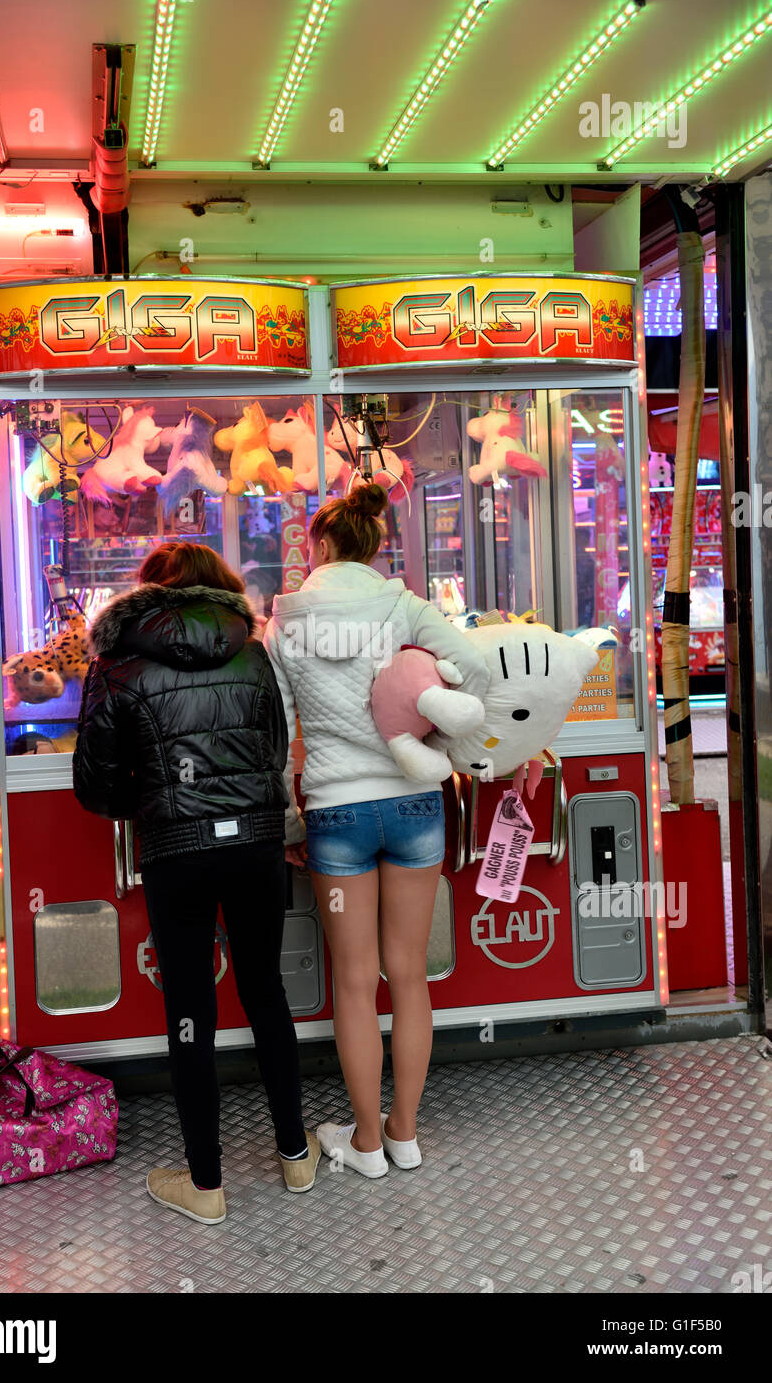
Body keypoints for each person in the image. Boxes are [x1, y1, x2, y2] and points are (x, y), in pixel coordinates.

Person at [72, 540, 320, 1226]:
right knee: (265, 990)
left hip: (176, 852)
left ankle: (205, 1185)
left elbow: (92, 785)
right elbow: (272, 751)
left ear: (149, 593)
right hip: (257, 844)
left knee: (189, 1007)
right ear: (220, 590)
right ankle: (296, 1157)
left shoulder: (116, 663)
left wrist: (155, 804)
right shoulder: (253, 652)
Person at [263, 482, 490, 1178]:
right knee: (409, 976)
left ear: (317, 546)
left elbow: (276, 736)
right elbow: (476, 672)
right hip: (416, 805)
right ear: (376, 546)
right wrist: (426, 684)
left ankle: (364, 1143)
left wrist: (289, 819)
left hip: (336, 816)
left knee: (356, 982)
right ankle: (405, 1132)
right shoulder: (406, 606)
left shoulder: (283, 624)